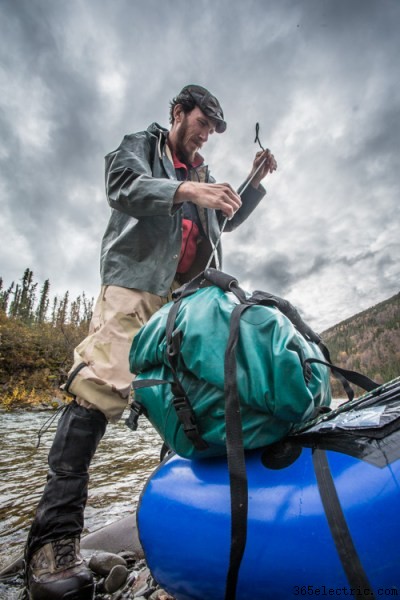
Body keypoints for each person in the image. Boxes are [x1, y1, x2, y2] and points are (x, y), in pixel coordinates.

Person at [24, 84, 277, 599]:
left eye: (212, 129)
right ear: (178, 113)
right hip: (134, 285)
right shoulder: (142, 146)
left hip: (185, 299)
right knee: (99, 391)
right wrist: (187, 191)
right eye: (201, 122)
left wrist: (254, 179)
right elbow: (121, 185)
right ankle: (51, 543)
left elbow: (225, 217)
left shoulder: (203, 173)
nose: (205, 135)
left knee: (191, 397)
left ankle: (183, 516)